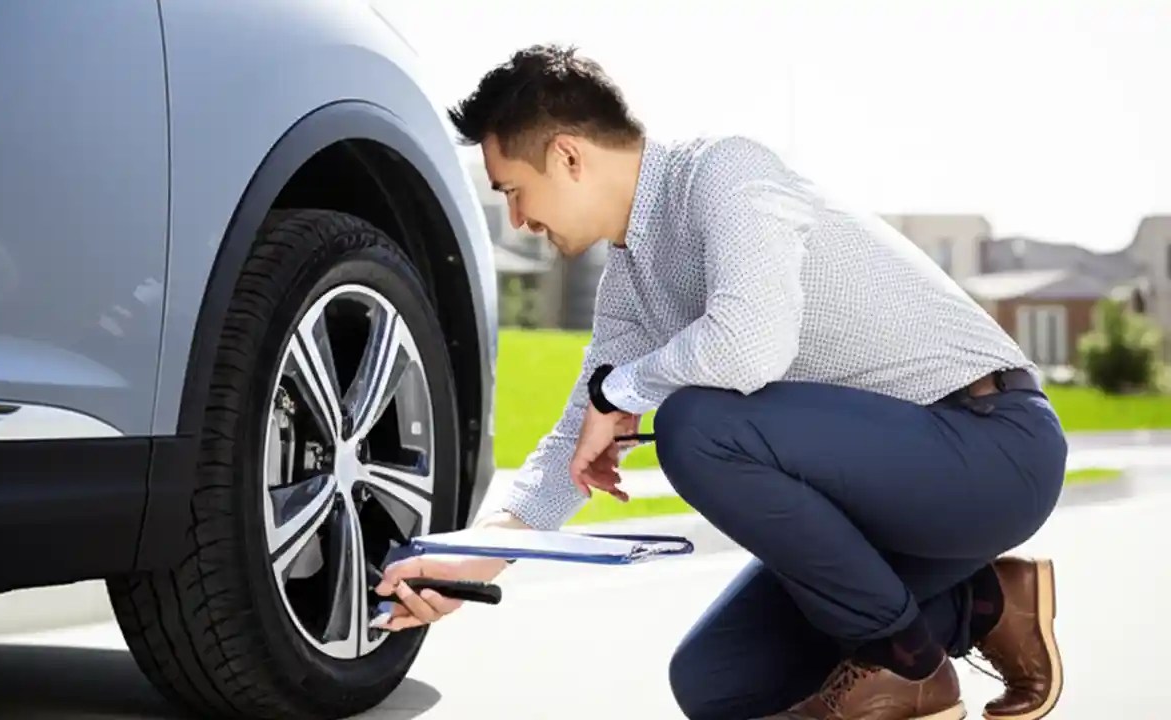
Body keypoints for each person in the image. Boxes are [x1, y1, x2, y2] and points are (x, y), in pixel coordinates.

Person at [373, 43, 1067, 720]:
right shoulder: (631, 283)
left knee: (696, 428)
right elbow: (569, 453)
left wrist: (620, 394)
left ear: (567, 156)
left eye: (514, 192)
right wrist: (467, 560)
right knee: (719, 681)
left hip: (989, 450)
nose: (519, 221)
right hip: (888, 508)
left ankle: (911, 671)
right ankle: (985, 605)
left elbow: (748, 346)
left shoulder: (724, 173)